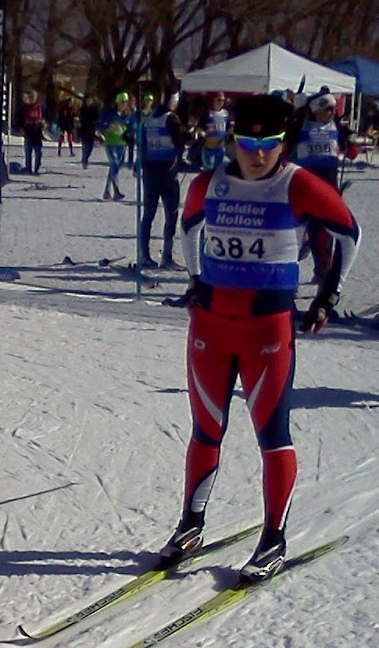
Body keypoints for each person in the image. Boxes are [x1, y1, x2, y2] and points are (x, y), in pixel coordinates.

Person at [159, 92, 361, 583]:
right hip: (209, 324)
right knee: (206, 430)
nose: (254, 154)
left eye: (266, 144)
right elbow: (189, 228)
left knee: (272, 435)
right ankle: (191, 525)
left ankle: (274, 538)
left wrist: (327, 297)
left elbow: (350, 234)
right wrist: (195, 279)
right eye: (245, 142)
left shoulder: (299, 186)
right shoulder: (210, 182)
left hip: (267, 329)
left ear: (282, 143)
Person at [292, 88, 357, 282]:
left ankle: (323, 270)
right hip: (304, 183)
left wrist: (351, 142)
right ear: (316, 110)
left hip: (328, 184)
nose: (332, 112)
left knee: (325, 229)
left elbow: (352, 153)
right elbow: (285, 150)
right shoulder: (300, 127)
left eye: (333, 109)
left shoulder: (336, 127)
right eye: (328, 109)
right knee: (298, 228)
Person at [138, 92, 185, 267]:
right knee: (171, 213)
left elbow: (143, 144)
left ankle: (144, 255)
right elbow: (179, 143)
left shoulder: (149, 118)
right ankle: (167, 256)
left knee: (148, 214)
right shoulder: (171, 118)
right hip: (167, 171)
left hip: (150, 170)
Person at [97, 92, 133, 199]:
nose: (123, 104)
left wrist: (128, 135)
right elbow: (99, 124)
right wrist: (108, 126)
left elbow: (132, 127)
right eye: (121, 102)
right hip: (110, 143)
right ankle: (116, 191)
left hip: (121, 144)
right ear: (117, 102)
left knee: (115, 167)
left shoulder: (129, 115)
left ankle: (107, 191)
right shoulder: (109, 114)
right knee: (115, 164)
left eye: (125, 102)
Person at [199, 91, 230, 171]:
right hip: (209, 146)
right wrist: (203, 133)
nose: (221, 103)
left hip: (221, 146)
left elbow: (229, 128)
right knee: (209, 168)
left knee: (219, 168)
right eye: (218, 100)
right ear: (213, 100)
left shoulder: (226, 113)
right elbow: (199, 126)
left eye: (223, 100)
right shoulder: (207, 113)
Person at [21, 89, 45, 175]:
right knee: (28, 151)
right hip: (28, 131)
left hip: (37, 132)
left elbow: (47, 117)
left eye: (33, 97)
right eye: (30, 97)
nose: (32, 99)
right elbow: (20, 119)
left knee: (38, 151)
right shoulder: (25, 108)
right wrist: (22, 128)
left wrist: (44, 123)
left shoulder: (40, 107)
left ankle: (37, 168)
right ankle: (28, 168)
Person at [78, 95, 99, 168]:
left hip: (91, 129)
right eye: (87, 100)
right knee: (85, 145)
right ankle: (84, 160)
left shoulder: (94, 108)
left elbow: (97, 118)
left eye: (90, 100)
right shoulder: (83, 109)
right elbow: (81, 119)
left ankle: (86, 157)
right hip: (84, 129)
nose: (88, 102)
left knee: (90, 146)